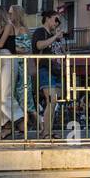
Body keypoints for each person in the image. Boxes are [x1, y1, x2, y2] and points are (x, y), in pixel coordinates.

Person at [0, 5, 26, 133]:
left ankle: (20, 119)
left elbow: (0, 45)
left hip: (8, 60)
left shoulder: (8, 26)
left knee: (4, 97)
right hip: (2, 61)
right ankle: (6, 126)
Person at [32, 10, 66, 138]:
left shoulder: (53, 35)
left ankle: (48, 130)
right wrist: (54, 37)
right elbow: (38, 45)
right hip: (45, 68)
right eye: (55, 19)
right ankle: (45, 132)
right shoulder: (40, 32)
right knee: (50, 99)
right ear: (47, 18)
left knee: (54, 102)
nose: (57, 23)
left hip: (56, 70)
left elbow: (61, 51)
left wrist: (59, 39)